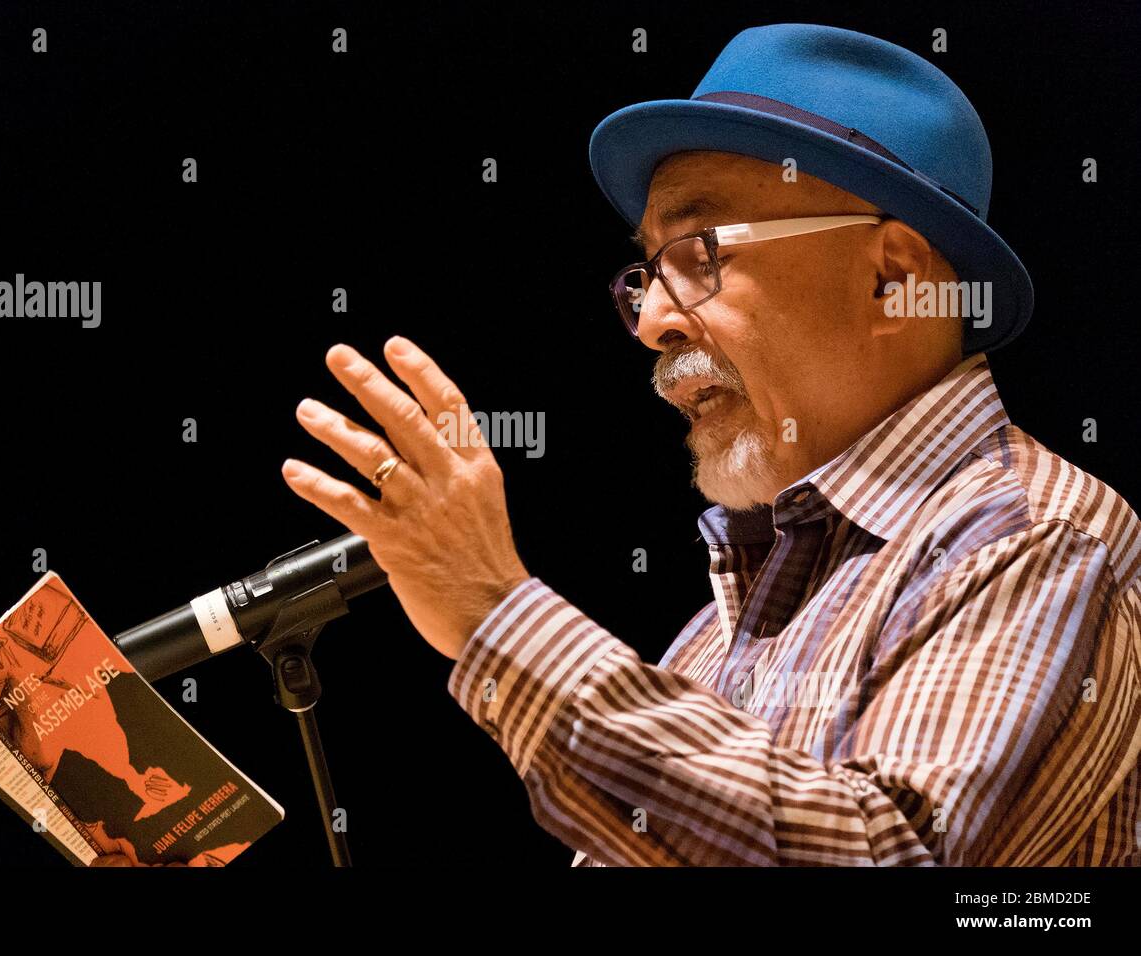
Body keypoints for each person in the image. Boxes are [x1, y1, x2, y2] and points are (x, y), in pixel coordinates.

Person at [278, 23, 1141, 866]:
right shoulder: (723, 622)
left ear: (894, 277)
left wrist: (494, 610)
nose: (652, 319)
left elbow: (889, 853)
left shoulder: (1035, 537)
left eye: (701, 252)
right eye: (644, 274)